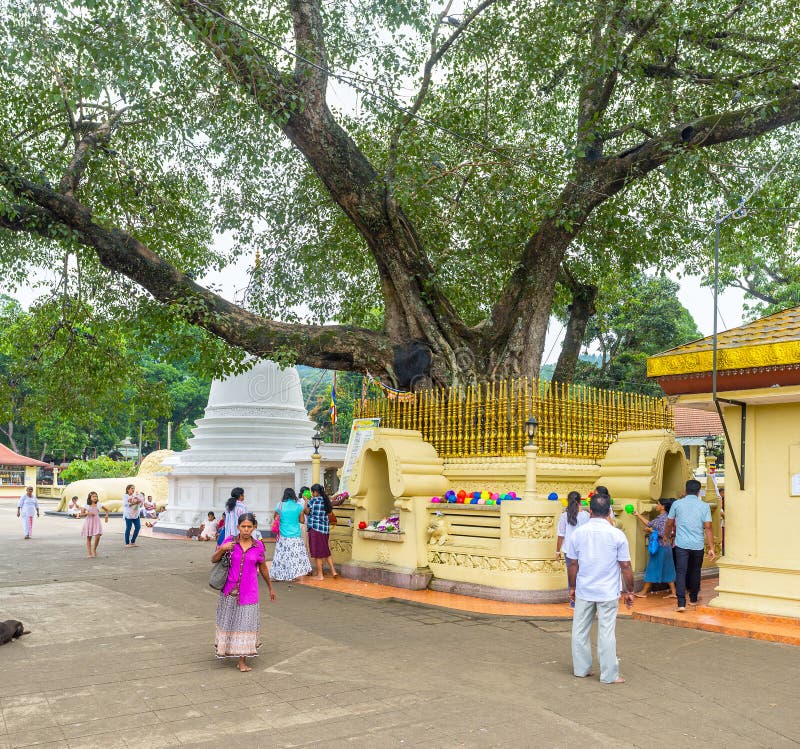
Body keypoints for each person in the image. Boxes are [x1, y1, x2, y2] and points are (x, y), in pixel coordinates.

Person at [566, 492, 634, 685]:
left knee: (579, 630)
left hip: (585, 589)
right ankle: (609, 674)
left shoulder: (579, 533)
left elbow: (573, 564)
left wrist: (572, 587)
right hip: (607, 591)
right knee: (606, 632)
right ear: (609, 512)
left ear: (590, 511)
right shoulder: (617, 535)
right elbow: (626, 566)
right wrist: (630, 591)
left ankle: (581, 669)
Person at [211, 512, 276, 672]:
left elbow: (262, 568)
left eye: (249, 526)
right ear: (238, 527)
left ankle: (242, 661)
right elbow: (213, 559)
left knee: (245, 625)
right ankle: (225, 649)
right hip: (229, 590)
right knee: (229, 622)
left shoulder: (258, 546)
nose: (246, 530)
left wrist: (270, 587)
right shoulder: (229, 542)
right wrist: (222, 549)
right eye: (243, 526)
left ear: (254, 527)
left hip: (249, 593)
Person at [666, 479, 715, 612]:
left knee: (681, 572)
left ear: (686, 490)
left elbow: (669, 523)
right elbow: (708, 527)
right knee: (695, 571)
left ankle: (681, 603)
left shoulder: (677, 504)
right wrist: (711, 547)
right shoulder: (704, 506)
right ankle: (693, 599)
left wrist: (666, 536)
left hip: (681, 544)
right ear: (699, 492)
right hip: (698, 544)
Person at [633, 499, 676, 599]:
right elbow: (649, 523)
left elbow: (662, 533)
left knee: (652, 568)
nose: (656, 505)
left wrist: (650, 531)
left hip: (660, 547)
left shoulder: (663, 518)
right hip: (666, 547)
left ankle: (643, 591)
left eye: (658, 504)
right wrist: (638, 515)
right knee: (668, 569)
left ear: (663, 507)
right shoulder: (664, 517)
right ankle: (673, 592)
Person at [270, 488, 312, 581]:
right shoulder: (298, 506)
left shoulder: (280, 505)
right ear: (293, 495)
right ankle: (293, 575)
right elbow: (302, 520)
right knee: (293, 556)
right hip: (295, 535)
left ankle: (278, 576)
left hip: (283, 534)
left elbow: (275, 517)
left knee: (281, 555)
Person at [555, 491, 589, 605]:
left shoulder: (565, 516)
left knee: (572, 574)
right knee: (582, 573)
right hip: (584, 549)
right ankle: (583, 599)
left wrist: (557, 551)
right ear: (580, 501)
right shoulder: (586, 515)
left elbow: (561, 534)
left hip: (569, 549)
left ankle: (572, 599)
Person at [302, 483, 338, 580]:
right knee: (326, 551)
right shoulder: (327, 501)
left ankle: (320, 575)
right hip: (325, 530)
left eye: (312, 492)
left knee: (317, 553)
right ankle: (333, 571)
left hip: (315, 529)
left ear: (316, 492)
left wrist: (306, 501)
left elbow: (306, 512)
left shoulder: (313, 501)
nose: (312, 494)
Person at [80, 491, 109, 558]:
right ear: (90, 497)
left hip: (96, 521)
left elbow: (107, 510)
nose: (95, 497)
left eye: (96, 496)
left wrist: (106, 516)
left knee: (98, 536)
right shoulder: (86, 505)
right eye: (93, 496)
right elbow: (81, 514)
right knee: (89, 537)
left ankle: (94, 549)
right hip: (89, 522)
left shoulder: (99, 504)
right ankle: (89, 553)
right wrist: (87, 513)